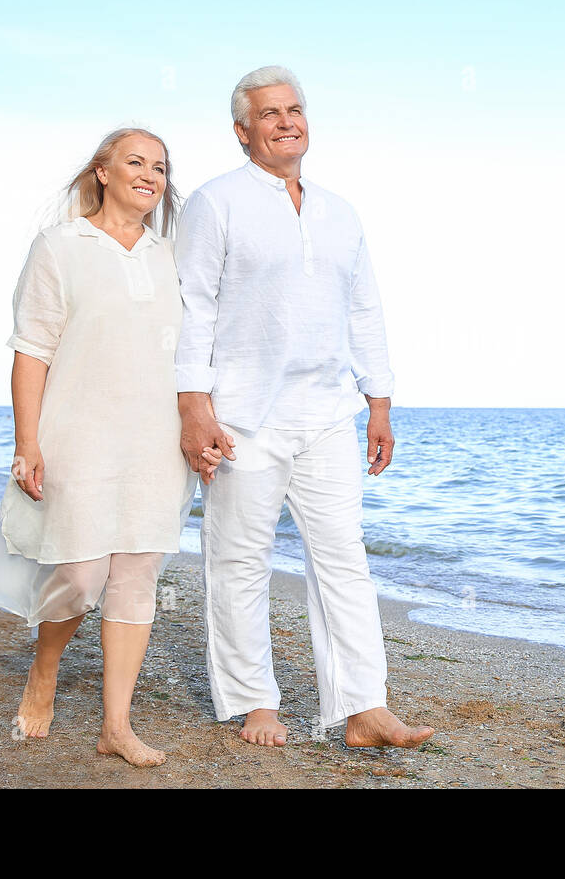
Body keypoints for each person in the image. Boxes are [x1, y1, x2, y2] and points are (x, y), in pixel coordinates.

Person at [174, 65, 434, 748]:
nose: (287, 121)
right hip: (241, 416)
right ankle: (255, 701)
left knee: (344, 556)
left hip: (326, 414)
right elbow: (191, 306)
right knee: (238, 560)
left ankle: (363, 706)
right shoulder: (215, 202)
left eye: (295, 109)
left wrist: (379, 400)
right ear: (242, 131)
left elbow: (365, 309)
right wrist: (193, 405)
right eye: (270, 113)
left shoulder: (340, 212)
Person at [0, 127, 221, 767]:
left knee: (134, 580)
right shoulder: (60, 246)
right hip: (77, 437)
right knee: (77, 573)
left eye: (160, 166)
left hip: (157, 444)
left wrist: (202, 423)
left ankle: (116, 726)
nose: (150, 175)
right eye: (135, 162)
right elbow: (32, 350)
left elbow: (199, 351)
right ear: (102, 171)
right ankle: (44, 669)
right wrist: (27, 442)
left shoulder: (173, 257)